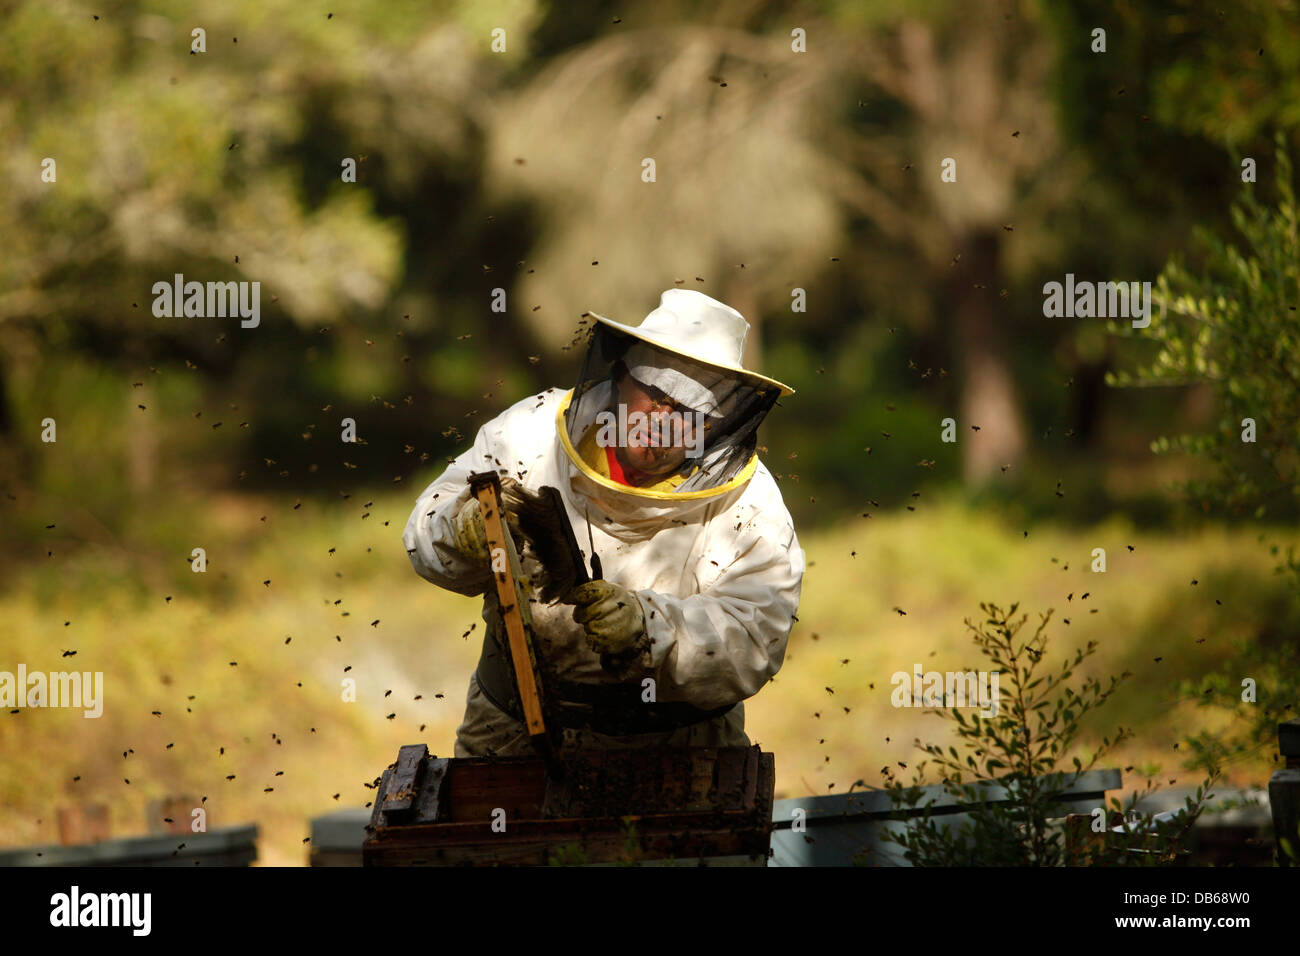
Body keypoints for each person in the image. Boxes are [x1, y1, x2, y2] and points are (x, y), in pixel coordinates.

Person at [401, 288, 804, 756]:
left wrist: (650, 629)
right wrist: (461, 527)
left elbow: (756, 634)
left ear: (717, 423)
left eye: (688, 411)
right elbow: (426, 530)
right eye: (654, 393)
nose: (662, 420)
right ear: (621, 377)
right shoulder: (528, 433)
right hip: (513, 733)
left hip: (677, 748)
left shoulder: (750, 504)